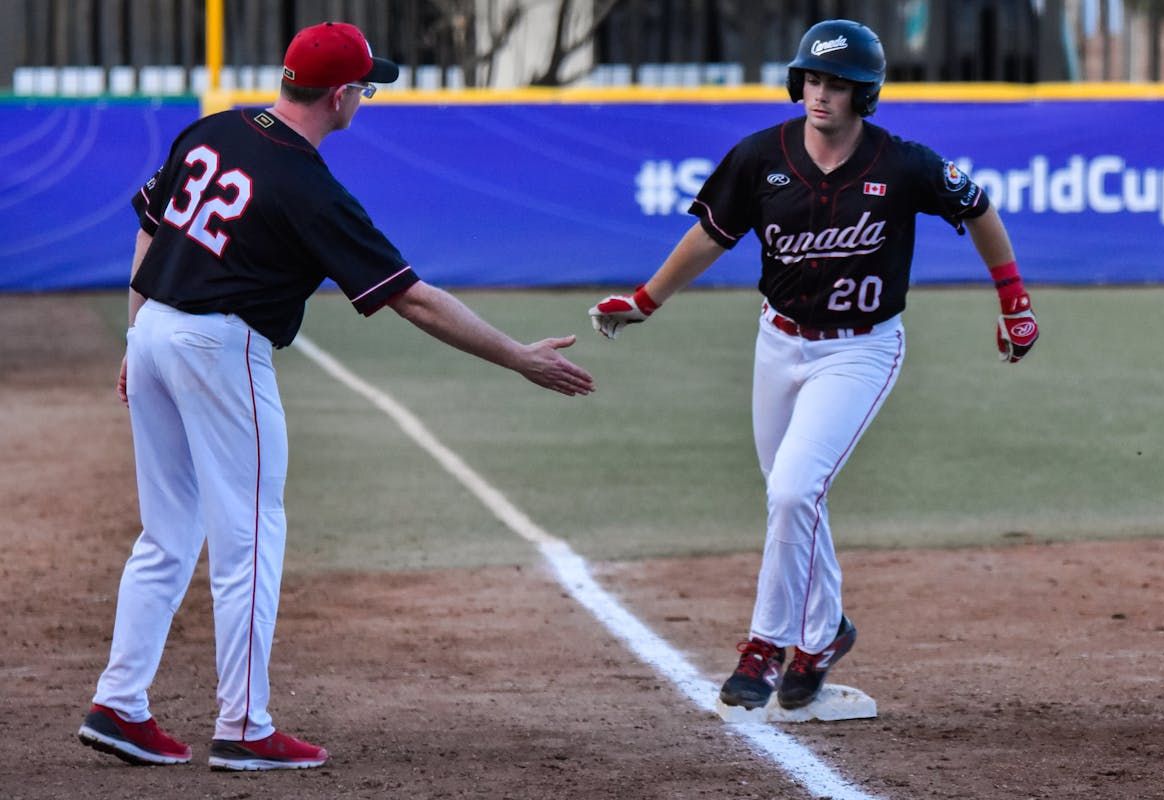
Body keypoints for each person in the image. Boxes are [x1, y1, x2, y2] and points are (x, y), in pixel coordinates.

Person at [78, 21, 594, 771]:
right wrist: (517, 357)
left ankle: (119, 704)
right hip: (220, 347)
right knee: (250, 537)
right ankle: (244, 726)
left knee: (166, 533)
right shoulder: (308, 186)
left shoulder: (213, 129)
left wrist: (135, 340)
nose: (366, 98)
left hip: (155, 326)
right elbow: (413, 300)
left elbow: (150, 231)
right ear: (341, 95)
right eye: (366, 87)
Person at [588, 19, 1038, 711]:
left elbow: (978, 210)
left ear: (865, 93)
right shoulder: (759, 157)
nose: (821, 94)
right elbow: (712, 236)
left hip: (861, 348)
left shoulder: (902, 163)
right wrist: (647, 300)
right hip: (779, 341)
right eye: (813, 79)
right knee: (794, 496)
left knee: (796, 491)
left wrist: (1013, 300)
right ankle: (824, 634)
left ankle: (764, 646)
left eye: (838, 83)